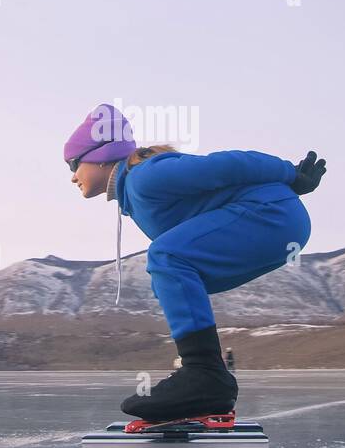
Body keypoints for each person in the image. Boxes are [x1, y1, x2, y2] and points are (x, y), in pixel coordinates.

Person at [63, 103, 326, 422]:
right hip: (276, 223)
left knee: (166, 257)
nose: (73, 177)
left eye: (73, 164)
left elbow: (227, 166)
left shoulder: (146, 177)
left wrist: (290, 174)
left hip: (271, 214)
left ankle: (204, 375)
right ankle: (208, 379)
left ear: (100, 155)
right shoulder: (135, 196)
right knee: (168, 279)